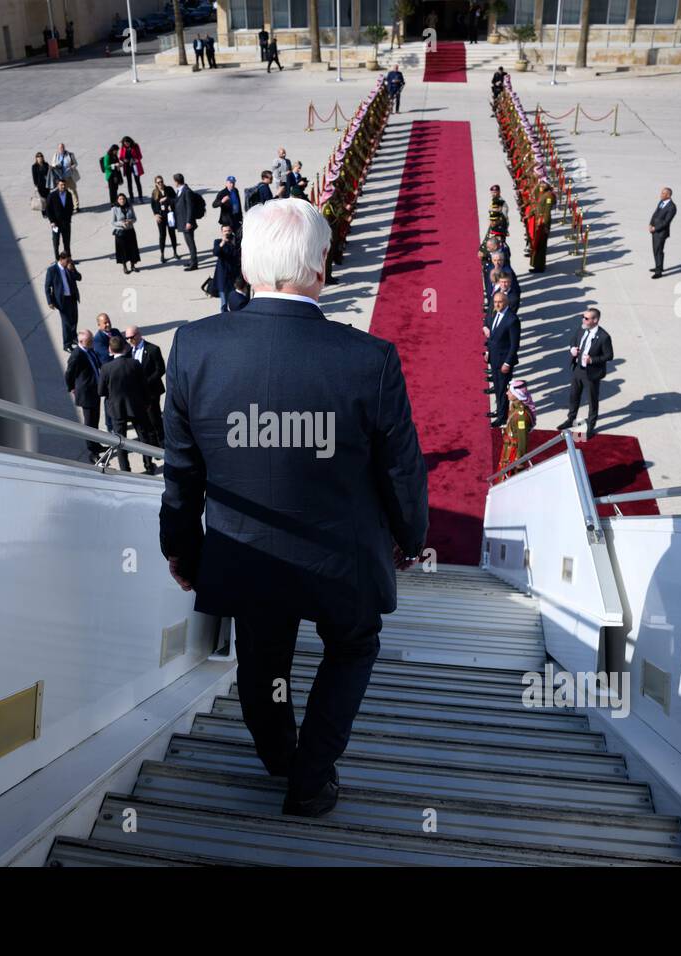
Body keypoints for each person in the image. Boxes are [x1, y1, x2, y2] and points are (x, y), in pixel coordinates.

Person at [159, 198, 429, 818]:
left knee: (262, 653)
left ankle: (280, 755)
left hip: (244, 555)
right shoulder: (370, 360)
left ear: (250, 265)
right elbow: (402, 471)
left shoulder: (194, 347)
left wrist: (181, 547)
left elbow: (182, 469)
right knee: (353, 645)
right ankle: (310, 778)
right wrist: (411, 539)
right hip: (343, 560)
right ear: (319, 269)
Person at [97, 335, 158, 475]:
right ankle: (148, 465)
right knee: (143, 437)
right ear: (125, 348)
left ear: (110, 350)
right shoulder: (134, 364)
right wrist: (147, 402)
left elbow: (101, 391)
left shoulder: (106, 368)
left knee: (119, 441)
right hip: (136, 406)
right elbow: (144, 386)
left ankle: (125, 470)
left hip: (117, 409)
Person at [555, 307, 614, 439]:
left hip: (591, 373)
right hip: (578, 369)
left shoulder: (604, 337)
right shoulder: (582, 329)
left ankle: (591, 426)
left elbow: (609, 355)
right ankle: (571, 419)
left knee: (592, 400)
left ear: (595, 320)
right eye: (583, 317)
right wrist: (572, 349)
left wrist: (592, 360)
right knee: (574, 396)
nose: (583, 320)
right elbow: (573, 341)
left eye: (586, 318)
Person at [65, 329, 105, 463]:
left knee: (95, 420)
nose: (93, 342)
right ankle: (92, 451)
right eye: (90, 340)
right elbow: (69, 373)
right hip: (86, 393)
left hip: (95, 390)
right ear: (81, 342)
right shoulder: (77, 355)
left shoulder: (90, 349)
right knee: (89, 423)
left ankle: (96, 444)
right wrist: (71, 387)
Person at [125, 325, 165, 446]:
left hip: (151, 392)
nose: (129, 340)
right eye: (127, 338)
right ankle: (152, 444)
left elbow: (160, 369)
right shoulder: (128, 352)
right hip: (137, 394)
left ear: (139, 335)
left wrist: (145, 383)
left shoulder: (152, 349)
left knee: (155, 419)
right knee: (144, 421)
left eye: (132, 337)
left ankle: (161, 442)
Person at [485, 291, 520, 428]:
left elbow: (514, 344)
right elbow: (492, 337)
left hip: (504, 361)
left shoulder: (512, 320)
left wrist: (508, 362)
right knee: (498, 387)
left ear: (506, 302)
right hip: (494, 358)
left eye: (500, 302)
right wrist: (488, 352)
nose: (497, 304)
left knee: (501, 389)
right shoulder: (495, 314)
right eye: (495, 302)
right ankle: (499, 411)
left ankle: (502, 417)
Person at [495, 380, 537, 479]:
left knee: (509, 476)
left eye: (509, 391)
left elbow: (523, 440)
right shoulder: (514, 405)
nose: (507, 393)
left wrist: (520, 460)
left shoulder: (521, 416)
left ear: (516, 394)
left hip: (513, 451)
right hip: (509, 446)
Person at [44, 252, 82, 351]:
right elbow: (47, 287)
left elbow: (79, 278)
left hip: (72, 297)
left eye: (70, 260)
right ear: (61, 259)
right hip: (62, 300)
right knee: (66, 323)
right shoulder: (52, 270)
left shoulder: (70, 266)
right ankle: (67, 345)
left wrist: (72, 270)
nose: (69, 262)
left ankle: (73, 338)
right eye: (67, 260)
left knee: (74, 319)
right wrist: (49, 301)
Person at [172, 173, 201, 270]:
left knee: (190, 242)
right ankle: (192, 260)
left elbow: (190, 207)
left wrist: (189, 222)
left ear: (176, 182)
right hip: (183, 221)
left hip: (187, 222)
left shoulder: (186, 191)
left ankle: (194, 264)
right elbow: (177, 201)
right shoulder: (180, 190)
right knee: (188, 242)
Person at [209, 225, 241, 312]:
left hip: (234, 275)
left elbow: (238, 254)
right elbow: (216, 252)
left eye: (229, 231)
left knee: (235, 300)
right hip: (222, 276)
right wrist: (223, 242)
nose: (227, 233)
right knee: (224, 303)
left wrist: (234, 243)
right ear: (222, 232)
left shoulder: (236, 242)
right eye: (225, 231)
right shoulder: (218, 242)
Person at [150, 175, 180, 262]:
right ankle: (162, 254)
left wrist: (168, 198)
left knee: (172, 234)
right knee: (162, 235)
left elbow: (176, 199)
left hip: (170, 215)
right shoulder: (154, 192)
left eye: (161, 181)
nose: (160, 183)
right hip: (161, 217)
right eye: (158, 182)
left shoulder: (169, 189)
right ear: (156, 183)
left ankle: (175, 252)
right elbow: (152, 205)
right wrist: (155, 214)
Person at [649, 186, 676, 278]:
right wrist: (651, 223)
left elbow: (666, 222)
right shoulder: (661, 202)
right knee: (656, 250)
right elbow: (655, 213)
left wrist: (655, 228)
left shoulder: (672, 207)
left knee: (658, 250)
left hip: (661, 232)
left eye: (663, 193)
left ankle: (658, 272)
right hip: (654, 230)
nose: (661, 195)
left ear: (668, 195)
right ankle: (659, 266)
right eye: (661, 193)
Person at [111, 192, 140, 274]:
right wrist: (122, 223)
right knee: (123, 250)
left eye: (123, 199)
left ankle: (133, 265)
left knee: (132, 249)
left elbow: (135, 218)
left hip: (130, 231)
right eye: (120, 199)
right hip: (121, 233)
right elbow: (113, 222)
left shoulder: (130, 206)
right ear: (117, 200)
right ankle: (124, 267)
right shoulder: (114, 209)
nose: (122, 200)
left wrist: (130, 221)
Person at [46, 179, 75, 259]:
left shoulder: (68, 194)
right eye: (61, 185)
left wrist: (69, 218)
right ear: (57, 185)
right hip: (56, 223)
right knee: (56, 242)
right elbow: (48, 210)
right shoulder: (52, 195)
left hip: (66, 223)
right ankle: (57, 258)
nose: (63, 186)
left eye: (64, 185)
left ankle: (68, 258)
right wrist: (52, 221)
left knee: (67, 241)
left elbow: (71, 207)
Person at [51, 143, 81, 212]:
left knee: (73, 191)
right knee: (62, 193)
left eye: (62, 147)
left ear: (64, 148)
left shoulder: (70, 155)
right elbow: (52, 164)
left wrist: (71, 167)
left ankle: (76, 206)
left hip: (69, 176)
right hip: (61, 179)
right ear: (58, 149)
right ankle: (66, 207)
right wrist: (55, 165)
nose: (61, 149)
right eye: (60, 148)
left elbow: (75, 163)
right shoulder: (56, 155)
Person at [31, 152, 52, 218]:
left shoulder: (46, 164)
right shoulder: (34, 166)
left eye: (41, 156)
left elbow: (49, 174)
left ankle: (48, 212)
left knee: (48, 199)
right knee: (42, 200)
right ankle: (44, 213)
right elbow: (34, 177)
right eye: (38, 157)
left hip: (47, 185)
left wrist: (50, 168)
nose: (40, 158)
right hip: (40, 186)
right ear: (36, 158)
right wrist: (36, 185)